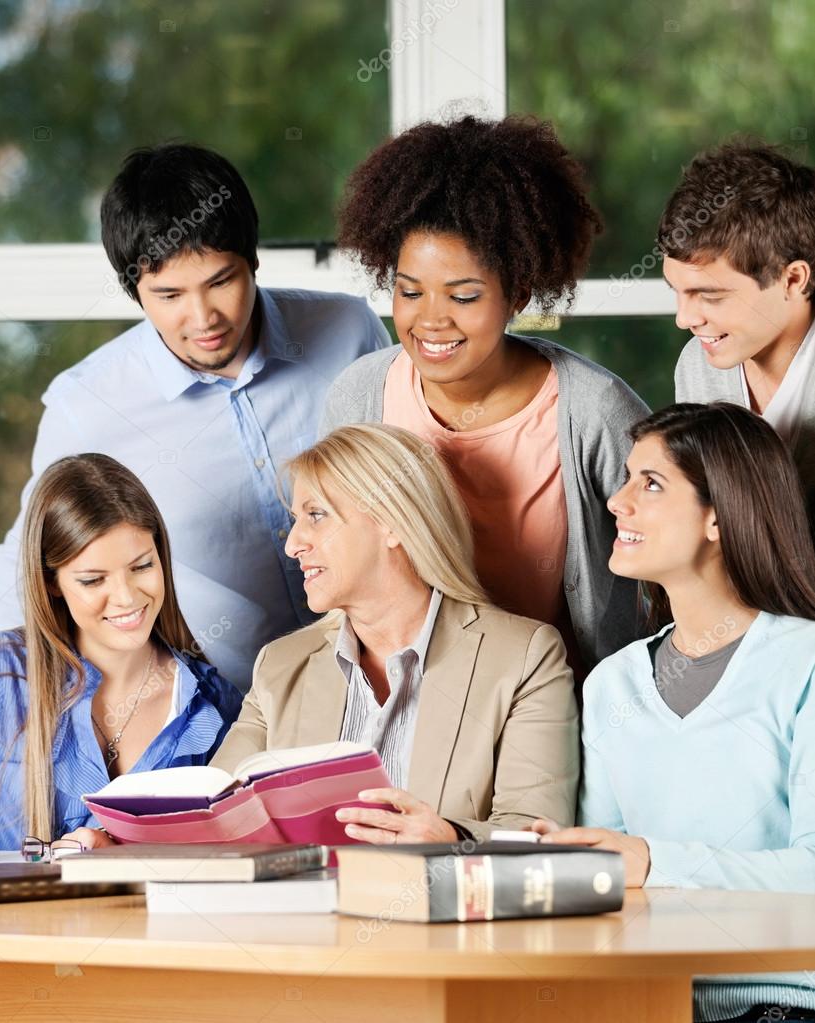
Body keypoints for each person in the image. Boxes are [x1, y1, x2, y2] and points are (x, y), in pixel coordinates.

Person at [0, 142, 389, 691]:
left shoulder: (348, 332)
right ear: (135, 291)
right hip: (225, 707)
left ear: (253, 259)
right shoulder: (86, 405)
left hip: (380, 675)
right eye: (169, 294)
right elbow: (29, 563)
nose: (203, 319)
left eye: (221, 282)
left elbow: (409, 491)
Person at [321, 114, 649, 677]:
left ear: (517, 293)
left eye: (464, 297)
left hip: (557, 698)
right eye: (410, 292)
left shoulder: (592, 409)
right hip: (404, 695)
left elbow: (681, 543)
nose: (431, 320)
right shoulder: (360, 397)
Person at [533, 404, 815, 1023]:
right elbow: (607, 875)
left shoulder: (804, 662)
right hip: (645, 1002)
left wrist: (652, 861)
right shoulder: (612, 684)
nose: (617, 502)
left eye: (652, 484)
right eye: (626, 479)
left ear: (718, 515)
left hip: (784, 1004)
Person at [210, 423, 579, 843]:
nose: (293, 544)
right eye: (296, 520)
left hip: (440, 886)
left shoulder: (524, 657)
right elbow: (213, 813)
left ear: (392, 524)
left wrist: (451, 838)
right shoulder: (279, 666)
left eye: (316, 515)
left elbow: (538, 834)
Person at [0, 454, 242, 862]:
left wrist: (123, 856)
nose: (126, 598)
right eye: (93, 580)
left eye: (142, 566)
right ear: (51, 582)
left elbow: (236, 856)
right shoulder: (0, 675)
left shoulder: (213, 705)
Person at [663, 141, 815, 522]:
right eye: (676, 291)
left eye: (709, 295)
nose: (684, 319)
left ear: (793, 280)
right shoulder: (697, 366)